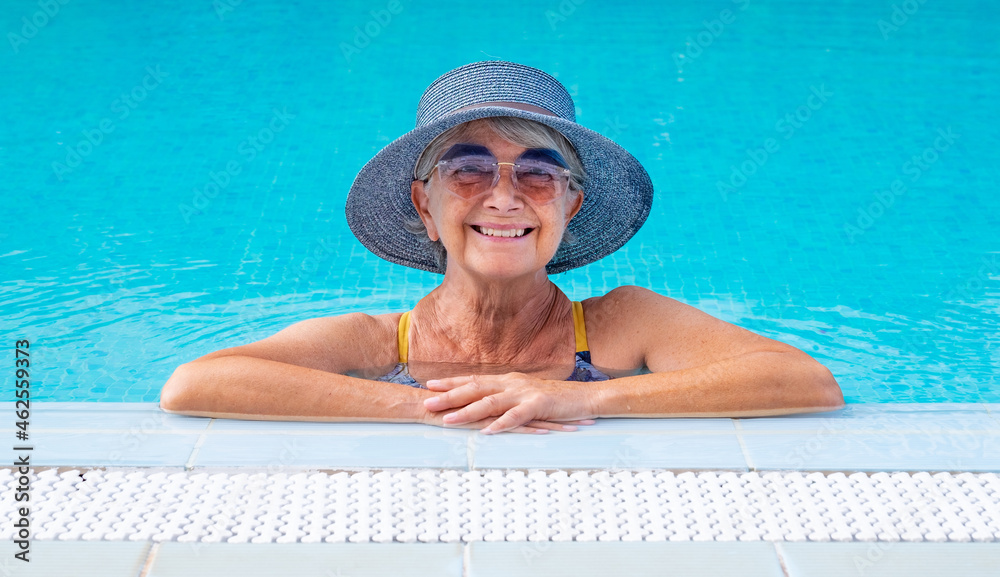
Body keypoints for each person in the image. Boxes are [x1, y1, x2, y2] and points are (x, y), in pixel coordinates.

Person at [160, 61, 843, 434]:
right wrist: (424, 407)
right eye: (468, 169)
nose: (505, 196)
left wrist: (583, 401)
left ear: (571, 206)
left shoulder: (621, 325)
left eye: (539, 173)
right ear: (425, 204)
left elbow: (806, 382)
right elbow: (194, 383)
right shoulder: (377, 345)